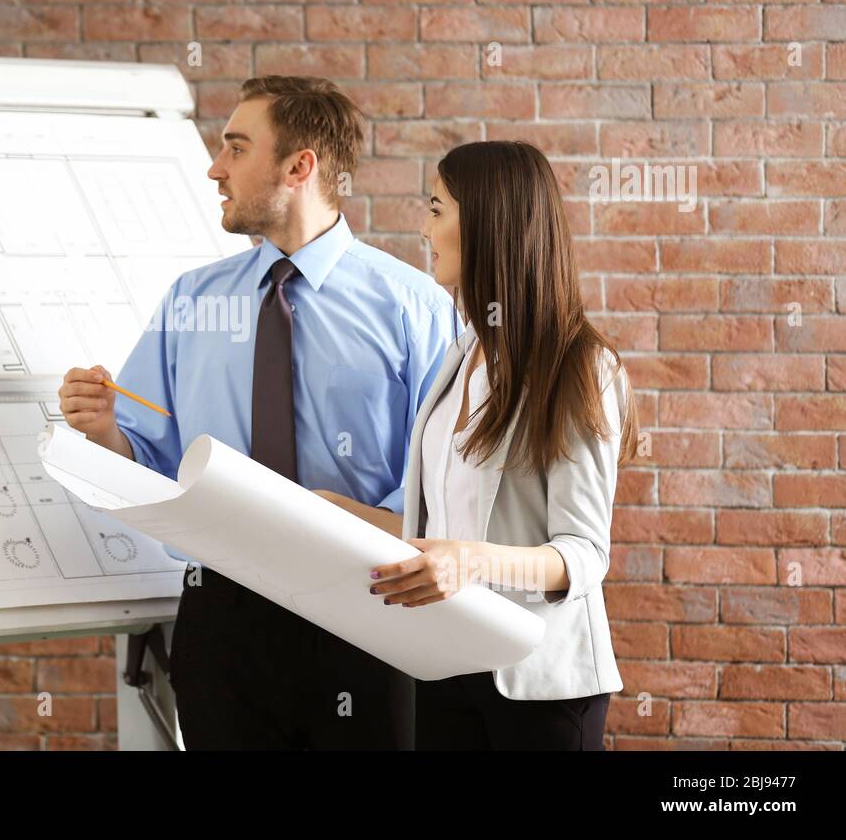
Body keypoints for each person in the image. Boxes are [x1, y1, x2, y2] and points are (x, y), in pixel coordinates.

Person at [58, 75, 458, 749]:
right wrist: (103, 431)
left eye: (236, 149)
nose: (215, 169)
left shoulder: (413, 307)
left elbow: (447, 473)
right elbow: (147, 460)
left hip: (366, 609)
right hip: (224, 623)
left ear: (300, 167)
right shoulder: (192, 301)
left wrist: (368, 532)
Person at [357, 140, 639, 749]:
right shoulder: (461, 356)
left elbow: (584, 555)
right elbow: (436, 524)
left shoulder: (580, 367)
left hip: (538, 685)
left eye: (436, 209)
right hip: (446, 666)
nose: (423, 227)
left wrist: (472, 561)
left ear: (488, 224)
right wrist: (333, 511)